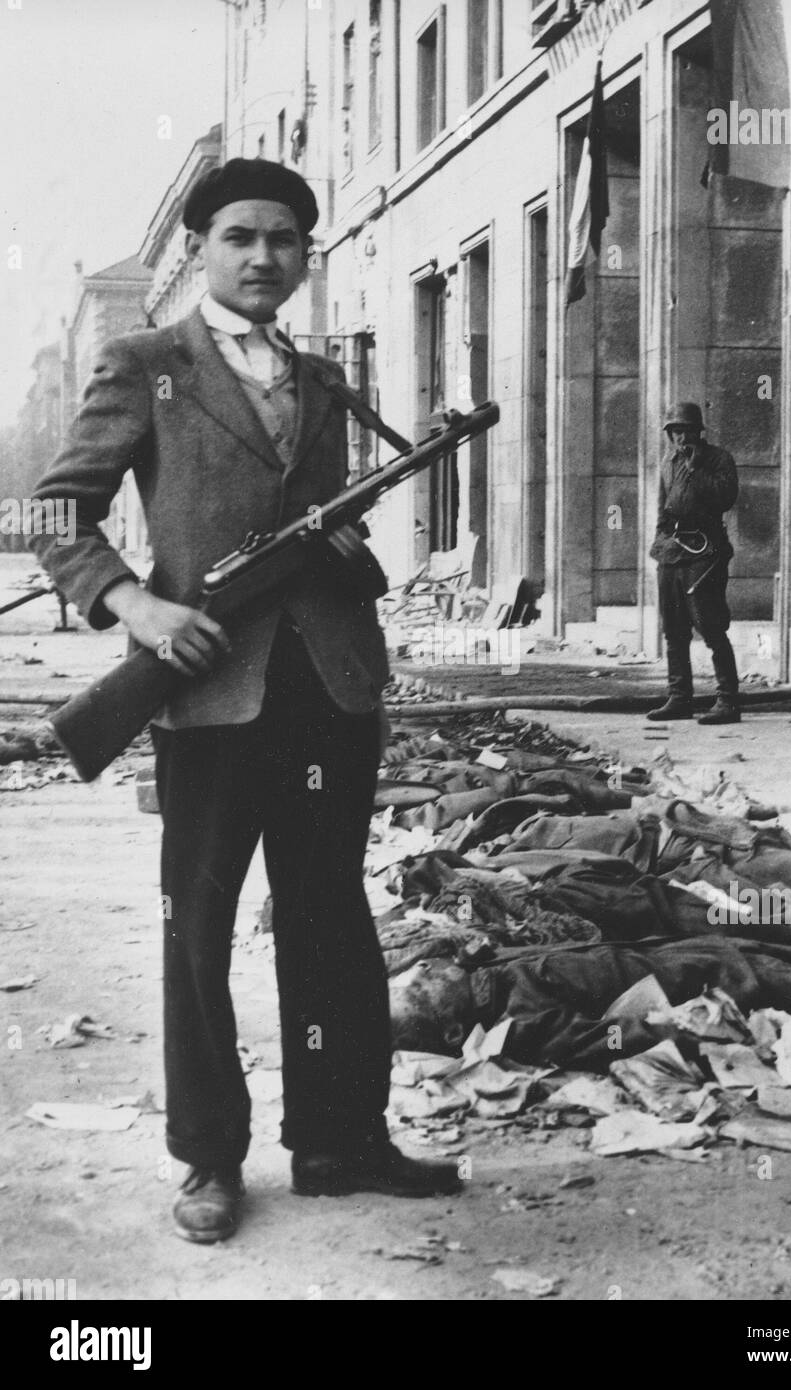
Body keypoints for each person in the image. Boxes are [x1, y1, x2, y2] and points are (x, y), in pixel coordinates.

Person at [29, 158, 459, 1245]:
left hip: (328, 684)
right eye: (239, 237)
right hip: (204, 685)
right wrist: (138, 607)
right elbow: (57, 516)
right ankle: (209, 1159)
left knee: (327, 919)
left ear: (305, 256)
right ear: (202, 252)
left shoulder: (319, 380)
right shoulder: (146, 364)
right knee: (199, 929)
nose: (263, 256)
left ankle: (336, 1139)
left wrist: (343, 548)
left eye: (282, 239)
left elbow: (306, 519)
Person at [647, 402, 741, 726]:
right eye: (675, 431)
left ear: (698, 432)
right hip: (672, 550)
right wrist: (660, 541)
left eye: (686, 430)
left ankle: (728, 700)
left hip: (705, 551)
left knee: (711, 626)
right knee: (674, 629)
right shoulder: (667, 462)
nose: (681, 437)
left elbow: (725, 498)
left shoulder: (718, 459)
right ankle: (679, 698)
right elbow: (663, 506)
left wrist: (695, 468)